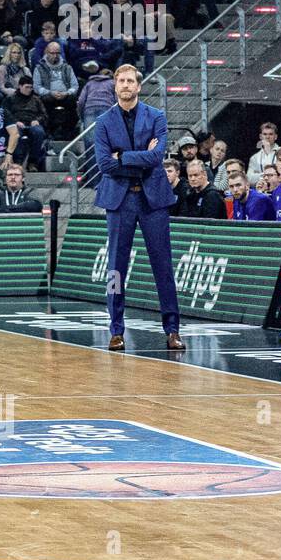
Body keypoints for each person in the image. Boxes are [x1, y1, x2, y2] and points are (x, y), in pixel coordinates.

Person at [94, 65, 183, 352]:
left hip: (153, 199)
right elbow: (104, 164)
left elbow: (157, 157)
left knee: (163, 266)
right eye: (121, 81)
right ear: (114, 86)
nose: (125, 85)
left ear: (139, 86)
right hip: (120, 201)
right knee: (115, 270)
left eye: (130, 80)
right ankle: (116, 330)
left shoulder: (156, 116)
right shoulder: (103, 122)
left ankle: (172, 330)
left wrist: (124, 157)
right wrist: (140, 157)